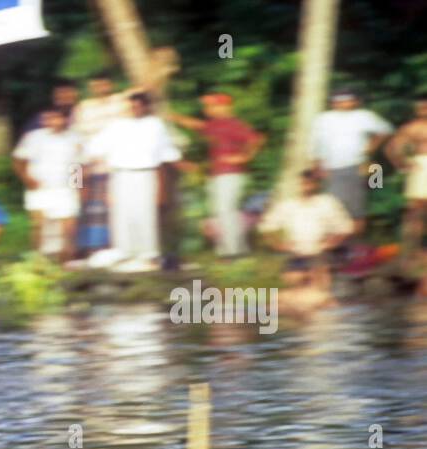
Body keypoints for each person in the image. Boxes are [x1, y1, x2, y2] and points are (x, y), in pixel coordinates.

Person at [87, 91, 182, 271]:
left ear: (146, 107)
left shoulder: (155, 125)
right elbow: (94, 148)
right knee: (121, 214)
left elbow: (167, 154)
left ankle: (148, 254)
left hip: (145, 174)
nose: (135, 109)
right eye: (132, 106)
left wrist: (168, 181)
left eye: (139, 105)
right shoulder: (117, 125)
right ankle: (125, 252)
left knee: (145, 214)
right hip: (121, 174)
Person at [168, 93, 263, 258]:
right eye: (208, 106)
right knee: (220, 212)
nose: (208, 109)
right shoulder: (215, 125)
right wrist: (172, 116)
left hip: (231, 174)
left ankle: (234, 251)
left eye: (212, 106)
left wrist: (243, 157)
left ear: (224, 107)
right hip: (217, 175)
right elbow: (195, 125)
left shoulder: (233, 124)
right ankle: (229, 249)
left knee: (226, 211)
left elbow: (256, 139)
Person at [258, 167, 354, 298]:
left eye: (310, 183)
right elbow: (266, 227)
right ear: (299, 184)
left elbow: (347, 228)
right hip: (298, 254)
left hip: (320, 253)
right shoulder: (288, 205)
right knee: (293, 283)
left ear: (316, 184)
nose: (306, 186)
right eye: (303, 183)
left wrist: (331, 242)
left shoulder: (327, 202)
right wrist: (278, 245)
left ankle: (324, 293)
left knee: (320, 288)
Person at [311, 91, 392, 237]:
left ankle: (356, 244)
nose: (343, 103)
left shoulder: (364, 116)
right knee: (331, 207)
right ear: (332, 102)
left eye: (347, 100)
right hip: (330, 168)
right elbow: (315, 143)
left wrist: (371, 147)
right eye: (339, 101)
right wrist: (316, 165)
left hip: (356, 166)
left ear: (355, 101)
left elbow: (386, 130)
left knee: (356, 208)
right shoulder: (323, 118)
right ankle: (333, 245)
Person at [13, 106, 83, 260]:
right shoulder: (33, 137)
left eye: (58, 118)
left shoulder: (75, 138)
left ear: (65, 120)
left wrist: (77, 188)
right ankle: (37, 260)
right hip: (40, 188)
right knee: (38, 225)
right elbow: (18, 161)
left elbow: (76, 166)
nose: (54, 121)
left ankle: (66, 260)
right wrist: (27, 179)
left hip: (65, 188)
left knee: (69, 227)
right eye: (50, 118)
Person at [72, 75, 130, 254]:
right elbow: (76, 138)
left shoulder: (121, 101)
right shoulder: (83, 107)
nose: (100, 87)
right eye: (96, 84)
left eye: (103, 83)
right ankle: (83, 248)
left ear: (110, 84)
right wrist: (81, 166)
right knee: (81, 205)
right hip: (83, 164)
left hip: (114, 165)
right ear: (90, 87)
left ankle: (111, 247)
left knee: (111, 207)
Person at [387, 93, 427, 256]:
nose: (423, 110)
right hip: (422, 166)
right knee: (416, 211)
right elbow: (392, 149)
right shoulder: (412, 127)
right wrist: (404, 164)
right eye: (421, 107)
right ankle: (412, 251)